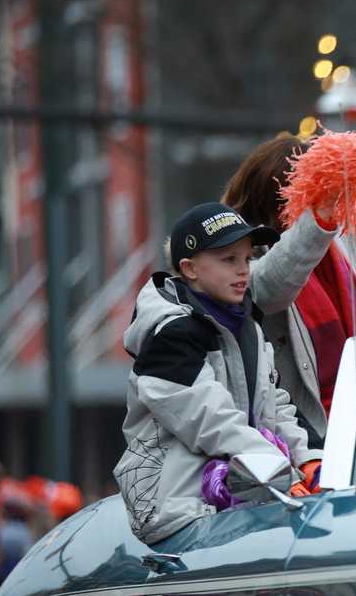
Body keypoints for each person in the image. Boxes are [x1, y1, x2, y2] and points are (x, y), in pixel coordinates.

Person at [114, 203, 321, 545]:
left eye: (247, 258)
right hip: (178, 514)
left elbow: (275, 407)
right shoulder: (170, 333)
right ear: (190, 268)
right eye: (229, 259)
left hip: (241, 499)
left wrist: (311, 459)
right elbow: (210, 421)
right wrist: (283, 472)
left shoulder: (247, 324)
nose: (243, 270)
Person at [222, 132, 356, 450]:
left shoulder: (329, 241)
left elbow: (354, 304)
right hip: (308, 432)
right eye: (310, 189)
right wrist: (319, 219)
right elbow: (269, 288)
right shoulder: (245, 255)